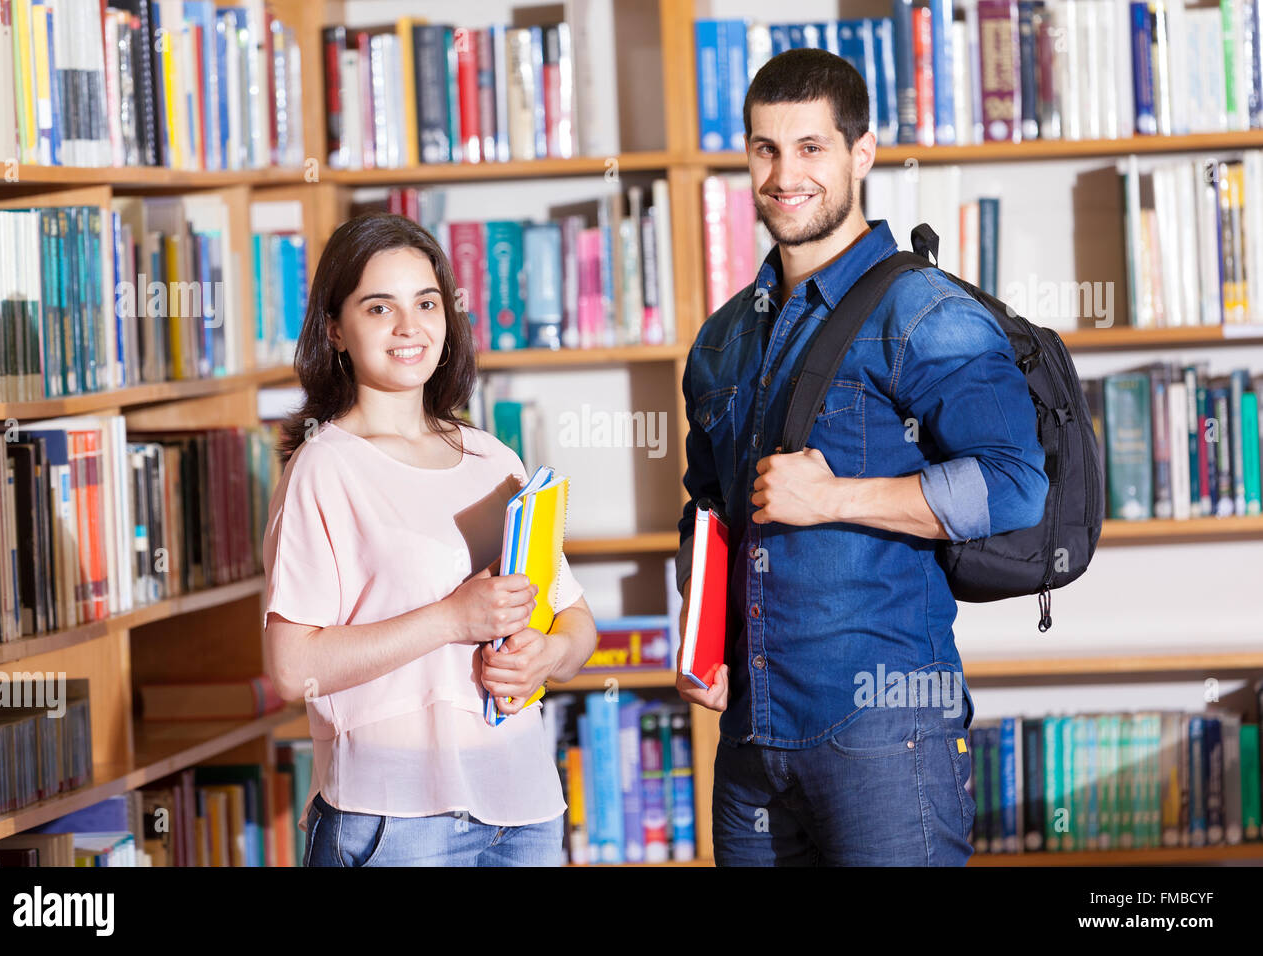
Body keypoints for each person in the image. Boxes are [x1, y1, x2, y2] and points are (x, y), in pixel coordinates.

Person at [673, 49, 1049, 866]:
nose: (785, 173)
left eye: (811, 147)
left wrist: (835, 498)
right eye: (766, 149)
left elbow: (1016, 486)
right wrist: (699, 635)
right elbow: (705, 514)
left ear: (861, 154)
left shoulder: (926, 311)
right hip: (749, 740)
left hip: (887, 739)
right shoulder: (722, 339)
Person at [262, 212, 597, 866]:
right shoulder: (324, 467)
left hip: (524, 809)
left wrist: (548, 654)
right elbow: (292, 667)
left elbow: (576, 620)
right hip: (395, 818)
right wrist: (449, 619)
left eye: (426, 303)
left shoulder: (494, 460)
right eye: (379, 307)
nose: (409, 327)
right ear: (335, 329)